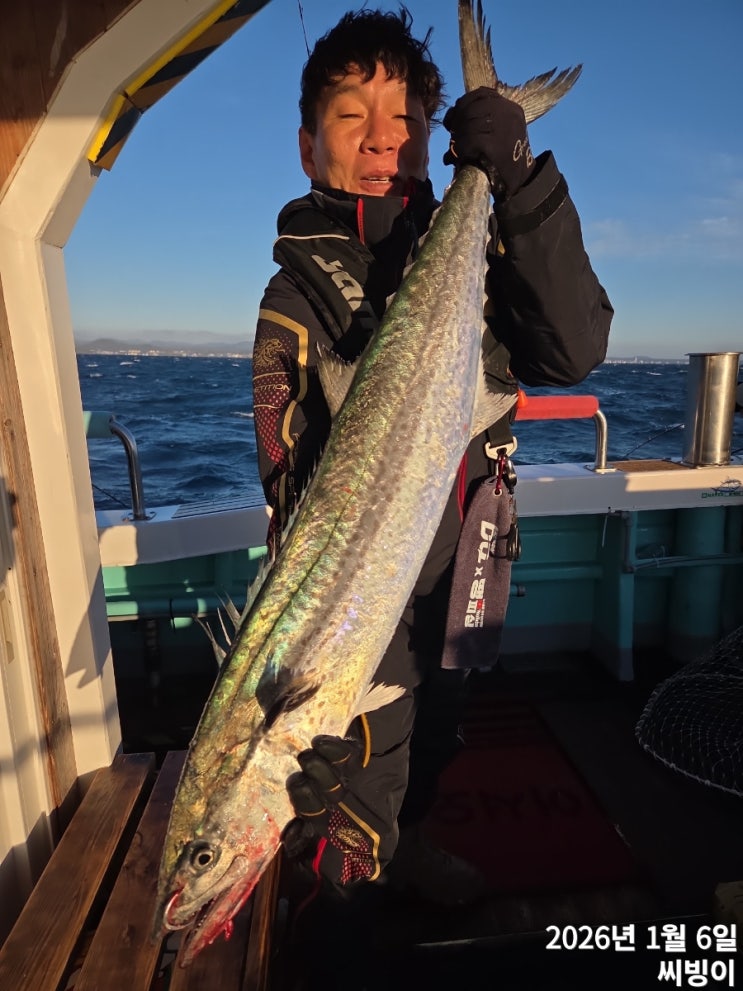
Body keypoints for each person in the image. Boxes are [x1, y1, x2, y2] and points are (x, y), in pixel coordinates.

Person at [252, 6, 612, 913]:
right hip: (366, 607)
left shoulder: (484, 238)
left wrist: (515, 180)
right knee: (353, 807)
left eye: (407, 115)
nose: (383, 137)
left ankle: (411, 849)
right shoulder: (295, 298)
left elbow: (572, 350)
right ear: (306, 148)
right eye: (349, 115)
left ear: (430, 137)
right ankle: (359, 910)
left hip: (468, 564)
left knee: (443, 746)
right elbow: (297, 494)